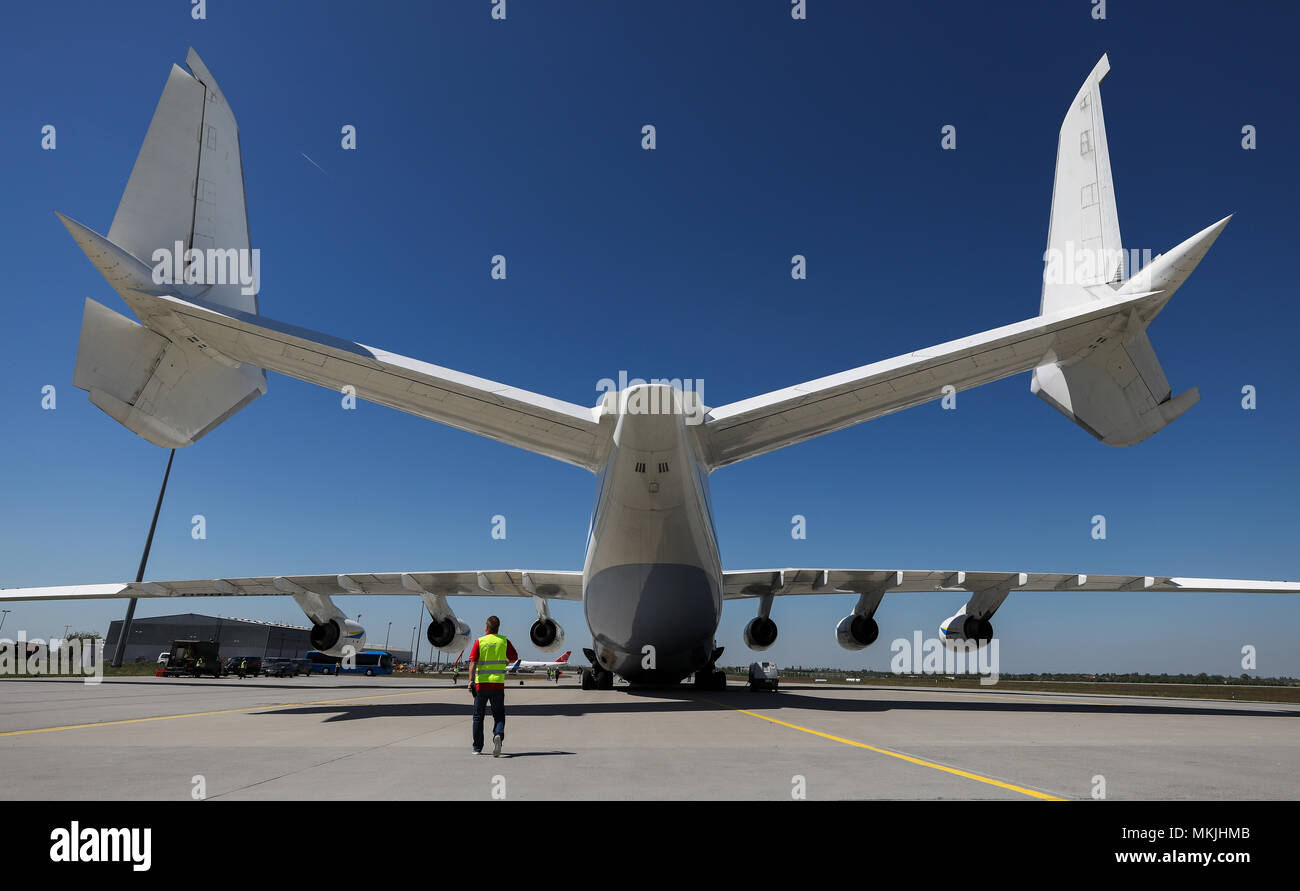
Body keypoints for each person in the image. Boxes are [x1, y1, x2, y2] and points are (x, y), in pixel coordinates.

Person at [467, 616, 518, 757]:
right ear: (498, 628)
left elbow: (472, 663)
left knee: (478, 717)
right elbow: (514, 657)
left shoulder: (480, 641)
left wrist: (471, 680)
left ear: (486, 627)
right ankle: (498, 735)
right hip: (497, 685)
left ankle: (477, 747)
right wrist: (505, 662)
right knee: (499, 715)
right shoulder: (504, 641)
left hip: (481, 686)